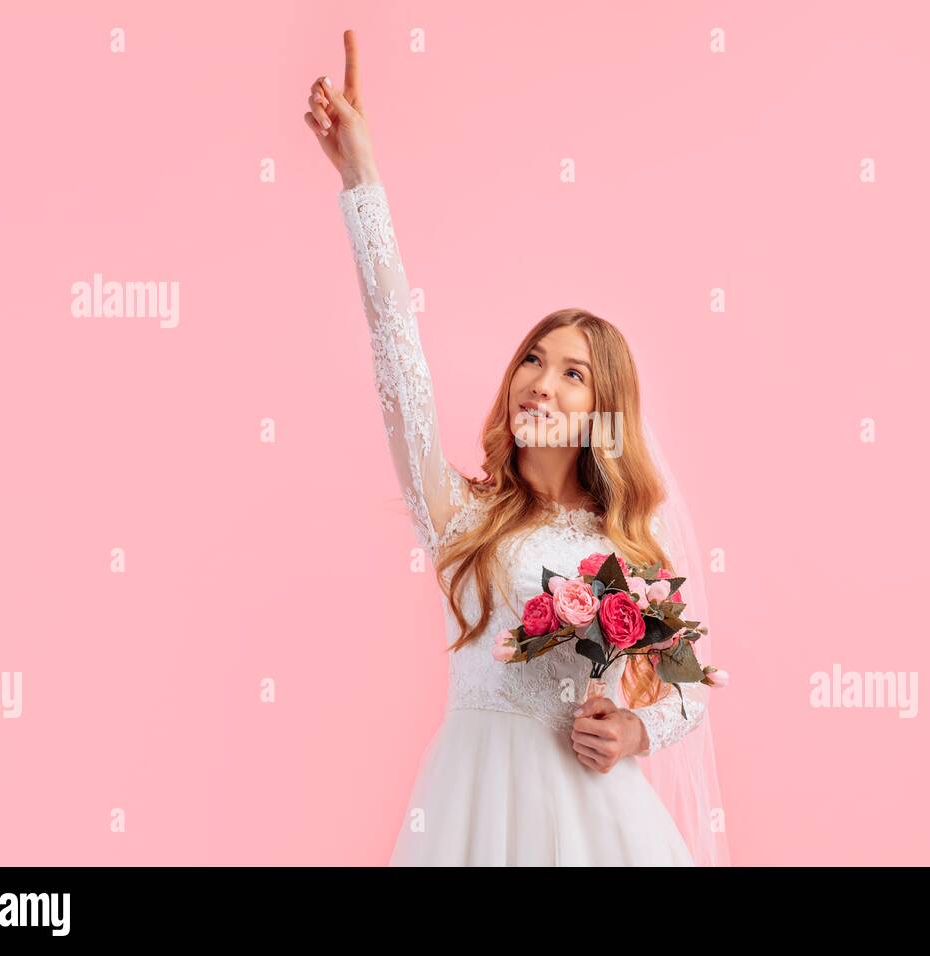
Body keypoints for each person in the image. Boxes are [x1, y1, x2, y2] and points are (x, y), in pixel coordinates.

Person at [304, 29, 729, 865]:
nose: (542, 382)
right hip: (472, 808)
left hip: (596, 821)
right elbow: (398, 357)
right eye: (533, 359)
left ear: (602, 409)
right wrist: (362, 182)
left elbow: (692, 688)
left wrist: (634, 729)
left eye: (574, 374)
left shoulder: (626, 547)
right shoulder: (458, 514)